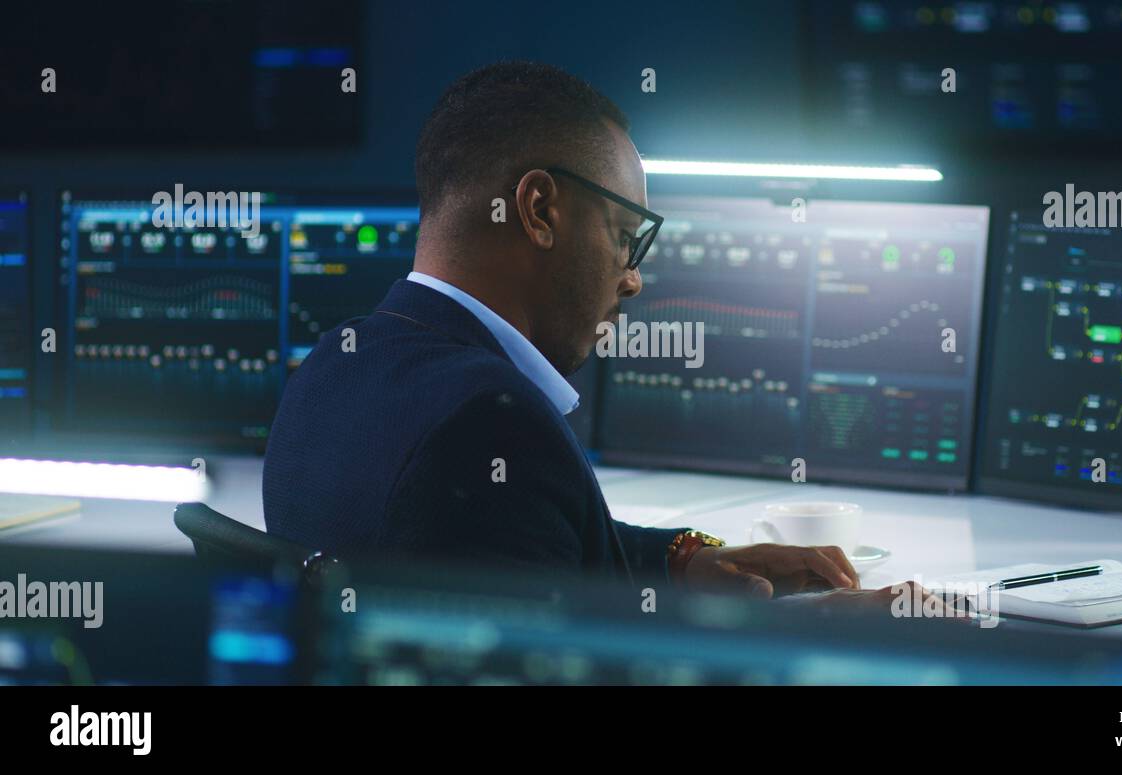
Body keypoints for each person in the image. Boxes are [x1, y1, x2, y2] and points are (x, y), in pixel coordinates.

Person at [264, 60, 924, 607]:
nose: (632, 279)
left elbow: (529, 542)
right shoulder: (492, 421)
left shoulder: (332, 365)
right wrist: (827, 642)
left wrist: (681, 557)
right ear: (540, 209)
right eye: (623, 237)